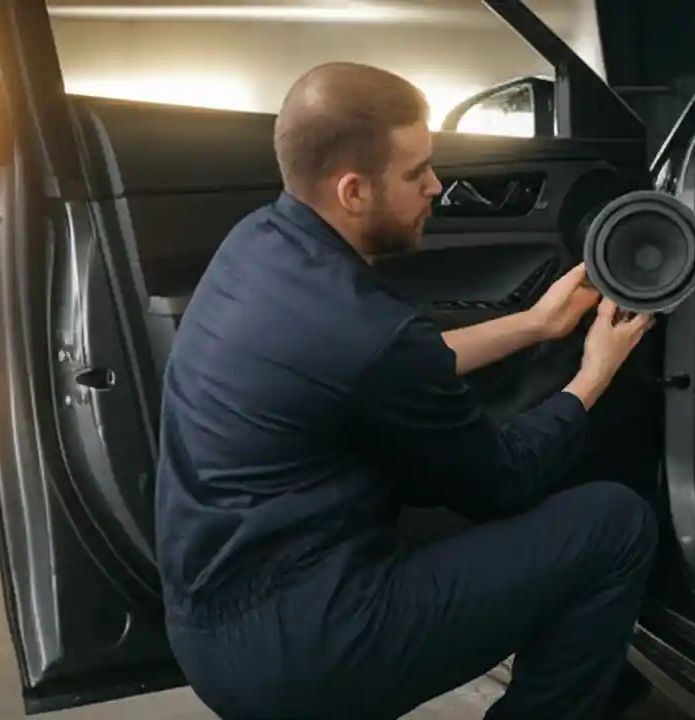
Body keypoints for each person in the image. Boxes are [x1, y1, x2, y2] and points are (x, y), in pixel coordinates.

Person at [154, 61, 657, 720]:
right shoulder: (366, 328)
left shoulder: (256, 245)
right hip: (308, 653)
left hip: (207, 624)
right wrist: (592, 375)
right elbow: (502, 483)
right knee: (614, 525)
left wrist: (535, 325)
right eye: (417, 172)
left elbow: (383, 370)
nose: (437, 186)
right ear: (354, 190)